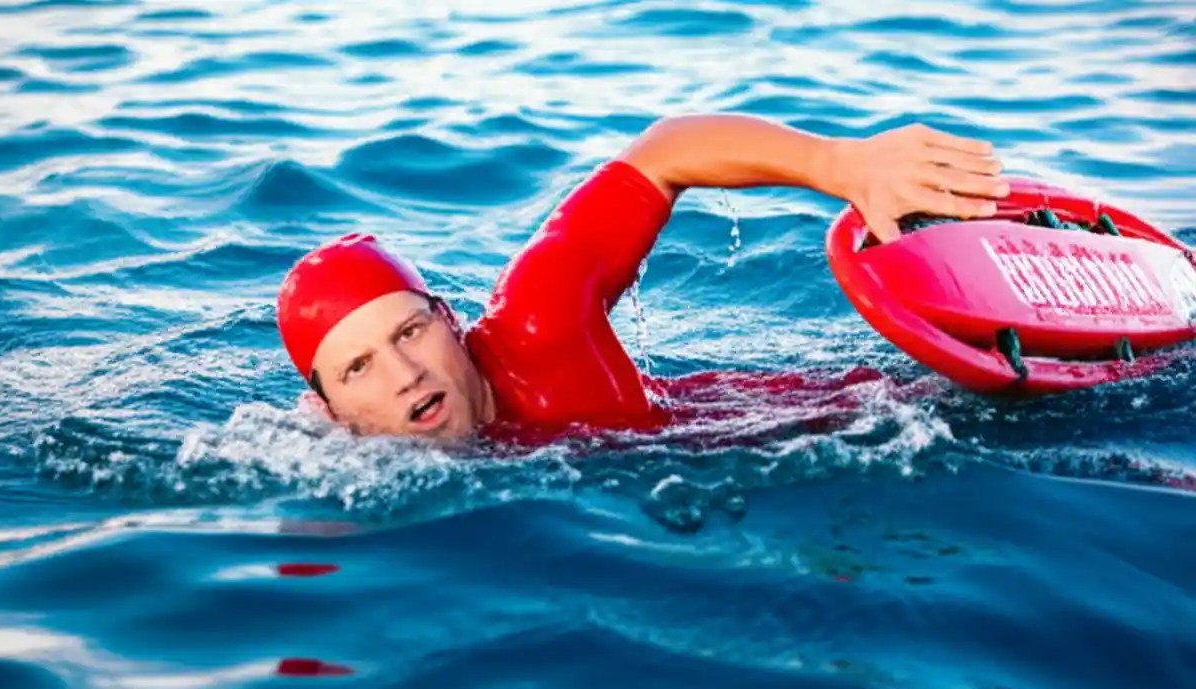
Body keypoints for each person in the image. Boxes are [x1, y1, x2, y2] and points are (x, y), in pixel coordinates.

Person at [276, 114, 1008, 443]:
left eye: (409, 331)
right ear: (332, 409)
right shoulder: (341, 471)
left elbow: (664, 152)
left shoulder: (540, 324)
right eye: (359, 367)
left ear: (448, 319)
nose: (404, 375)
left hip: (819, 421)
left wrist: (842, 166)